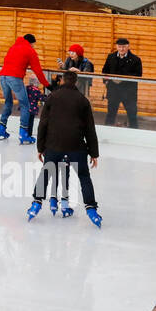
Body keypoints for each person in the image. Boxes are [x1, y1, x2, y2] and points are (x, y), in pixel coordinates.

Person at [27, 69, 102, 226]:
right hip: (76, 146)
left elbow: (43, 124)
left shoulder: (52, 97)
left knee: (46, 173)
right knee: (84, 176)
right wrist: (94, 153)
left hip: (54, 145)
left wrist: (40, 147)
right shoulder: (82, 100)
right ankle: (91, 208)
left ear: (61, 80)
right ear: (76, 82)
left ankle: (36, 202)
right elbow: (90, 129)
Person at [0, 33, 48, 143]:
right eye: (33, 45)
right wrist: (47, 85)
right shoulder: (30, 50)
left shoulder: (13, 47)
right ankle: (23, 133)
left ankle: (1, 129)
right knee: (25, 105)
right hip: (14, 78)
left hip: (3, 77)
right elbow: (38, 70)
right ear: (31, 43)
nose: (33, 47)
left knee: (8, 103)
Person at [103, 37, 142, 130]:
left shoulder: (135, 59)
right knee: (111, 113)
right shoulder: (111, 57)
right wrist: (108, 80)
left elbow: (138, 75)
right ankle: (107, 132)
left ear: (128, 47)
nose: (121, 49)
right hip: (113, 91)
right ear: (117, 47)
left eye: (124, 47)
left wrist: (123, 79)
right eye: (119, 47)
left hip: (128, 92)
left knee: (132, 114)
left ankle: (134, 133)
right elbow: (104, 71)